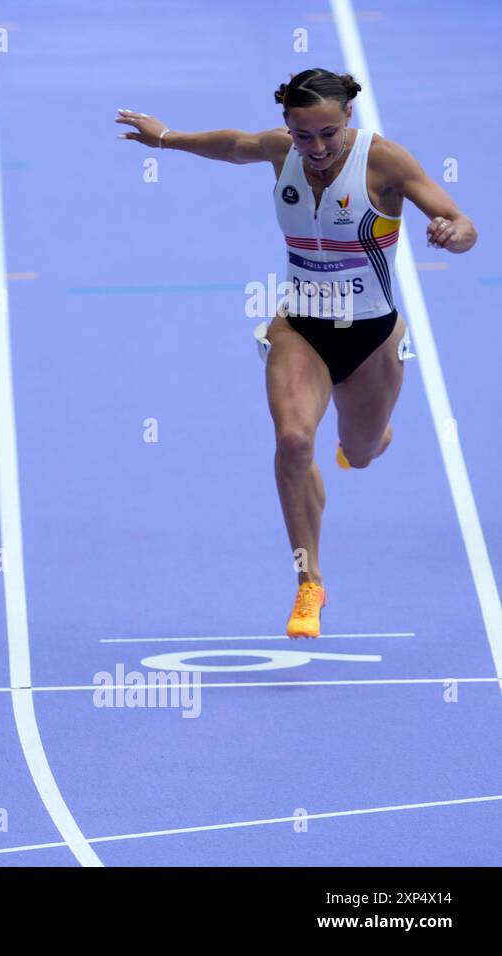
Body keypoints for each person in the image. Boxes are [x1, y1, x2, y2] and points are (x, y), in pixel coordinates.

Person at [116, 69, 477, 637]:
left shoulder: (385, 163)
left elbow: (461, 221)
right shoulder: (280, 150)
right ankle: (309, 581)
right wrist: (167, 138)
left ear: (348, 120)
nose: (316, 148)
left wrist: (453, 232)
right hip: (301, 326)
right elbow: (233, 145)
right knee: (292, 440)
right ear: (288, 125)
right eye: (303, 135)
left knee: (358, 454)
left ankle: (368, 439)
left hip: (372, 335)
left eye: (328, 134)